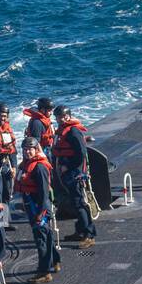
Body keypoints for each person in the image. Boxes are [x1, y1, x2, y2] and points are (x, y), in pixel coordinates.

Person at [52, 104, 97, 249]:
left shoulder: (73, 132)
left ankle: (89, 235)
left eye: (64, 116)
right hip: (67, 173)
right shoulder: (62, 131)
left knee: (80, 204)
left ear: (69, 116)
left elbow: (81, 155)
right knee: (75, 203)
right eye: (59, 116)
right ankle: (80, 230)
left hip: (75, 174)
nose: (61, 119)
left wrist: (69, 166)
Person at [15, 135, 58, 284]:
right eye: (25, 150)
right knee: (46, 236)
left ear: (36, 150)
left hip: (39, 207)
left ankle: (44, 272)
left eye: (30, 150)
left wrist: (41, 213)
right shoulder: (26, 164)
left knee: (41, 239)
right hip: (31, 204)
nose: (27, 152)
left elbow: (44, 193)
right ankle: (55, 261)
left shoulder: (39, 167)